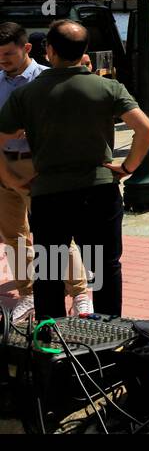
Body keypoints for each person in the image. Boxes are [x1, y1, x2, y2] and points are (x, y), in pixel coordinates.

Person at [0, 20, 149, 319]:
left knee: (49, 269)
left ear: (49, 50)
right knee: (105, 266)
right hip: (98, 190)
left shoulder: (28, 94)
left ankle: (51, 336)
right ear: (84, 51)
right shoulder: (107, 86)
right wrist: (127, 167)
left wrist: (12, 180)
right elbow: (146, 130)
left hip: (49, 194)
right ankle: (110, 334)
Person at [0, 22, 92, 321]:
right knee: (13, 235)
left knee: (54, 233)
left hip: (39, 167)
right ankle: (29, 292)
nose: (3, 60)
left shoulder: (46, 78)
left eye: (8, 54)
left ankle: (79, 293)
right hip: (3, 166)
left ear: (27, 48)